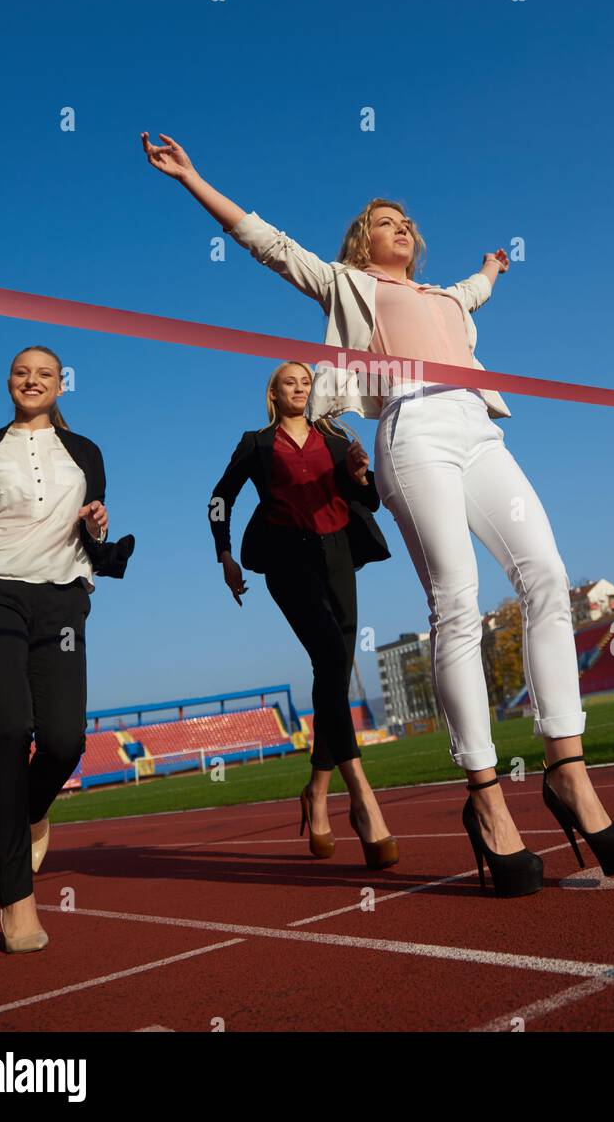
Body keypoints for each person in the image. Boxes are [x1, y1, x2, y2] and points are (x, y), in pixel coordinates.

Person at [142, 130, 614, 899]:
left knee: (546, 577)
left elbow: (474, 294)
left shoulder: (443, 297)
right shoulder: (347, 284)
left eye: (406, 220)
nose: (399, 226)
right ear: (359, 241)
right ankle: (485, 798)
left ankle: (566, 773)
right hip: (412, 431)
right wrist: (192, 178)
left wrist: (489, 270)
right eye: (383, 220)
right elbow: (268, 245)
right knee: (458, 600)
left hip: (477, 427)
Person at [0, 346, 134, 950]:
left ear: (60, 386)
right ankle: (16, 900)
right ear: (8, 383)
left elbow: (92, 528)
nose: (33, 380)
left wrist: (98, 528)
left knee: (64, 739)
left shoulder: (86, 453)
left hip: (61, 600)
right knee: (9, 729)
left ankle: (33, 808)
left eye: (45, 374)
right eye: (23, 373)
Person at [208, 358, 398, 869]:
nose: (298, 387)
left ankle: (316, 792)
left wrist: (360, 475)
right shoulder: (256, 443)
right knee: (333, 655)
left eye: (305, 382)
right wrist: (224, 554)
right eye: (288, 382)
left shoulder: (336, 437)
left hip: (339, 555)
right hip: (286, 557)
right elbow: (219, 498)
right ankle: (362, 797)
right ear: (274, 394)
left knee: (333, 671)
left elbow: (370, 498)